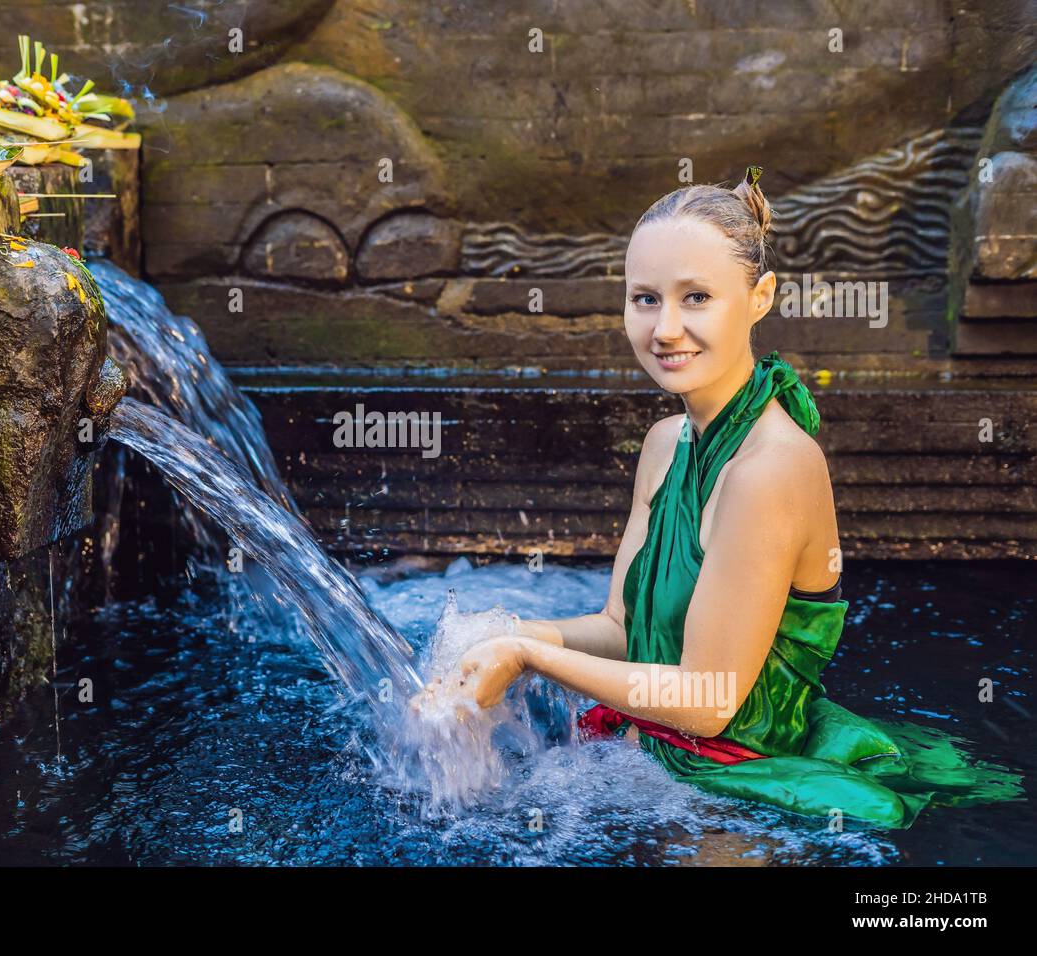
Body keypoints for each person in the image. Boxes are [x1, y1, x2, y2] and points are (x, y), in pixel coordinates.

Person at [425, 168, 1023, 828]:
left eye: (697, 297)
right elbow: (624, 632)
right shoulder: (664, 443)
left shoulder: (773, 470)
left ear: (760, 296)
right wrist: (494, 636)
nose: (666, 328)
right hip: (647, 761)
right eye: (645, 299)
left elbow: (709, 703)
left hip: (743, 793)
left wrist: (528, 657)